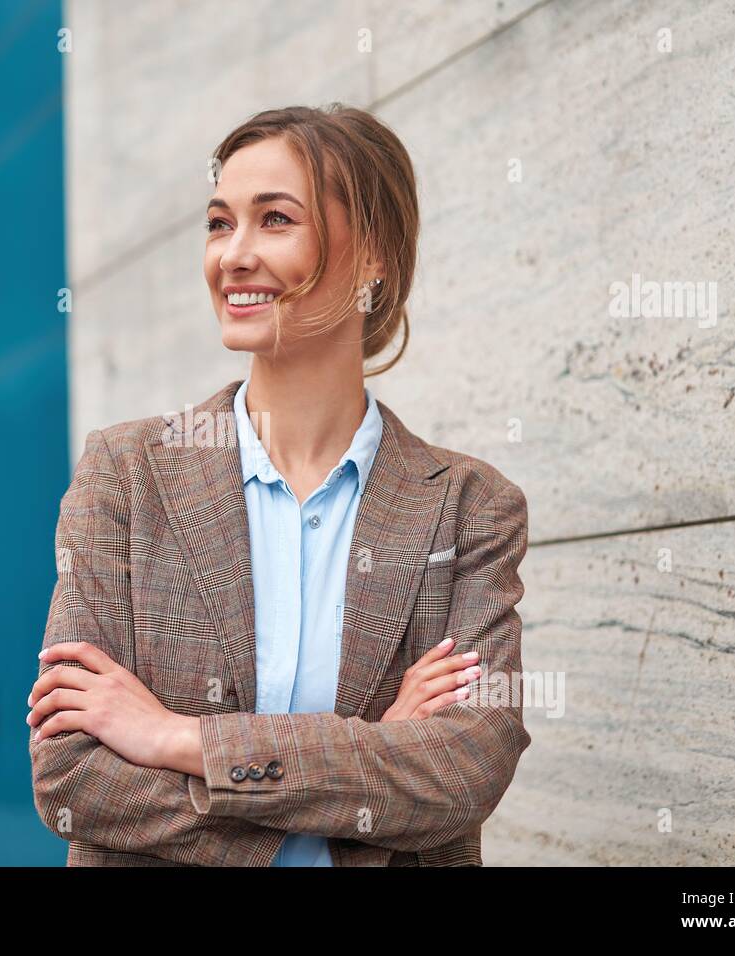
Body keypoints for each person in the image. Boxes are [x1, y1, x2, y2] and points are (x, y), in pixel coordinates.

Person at [27, 104, 531, 866]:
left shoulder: (468, 508)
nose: (233, 254)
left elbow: (464, 771)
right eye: (219, 222)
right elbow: (73, 779)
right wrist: (371, 759)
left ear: (374, 257)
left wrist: (177, 739)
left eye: (275, 220)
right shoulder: (126, 478)